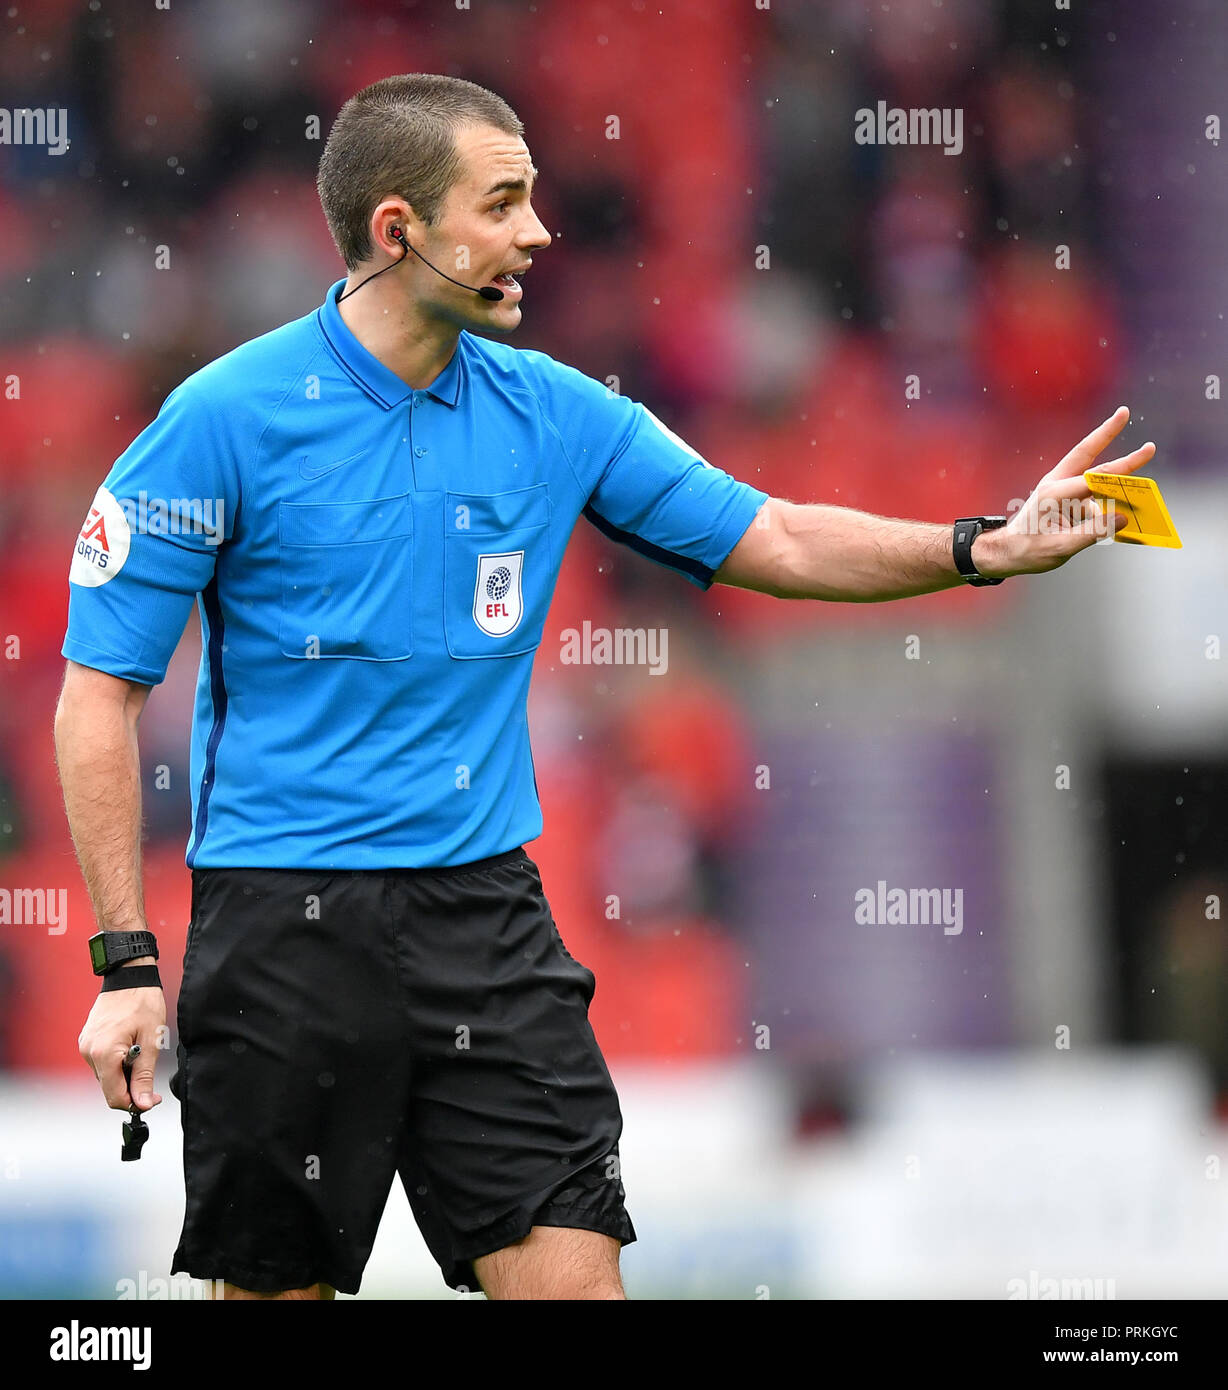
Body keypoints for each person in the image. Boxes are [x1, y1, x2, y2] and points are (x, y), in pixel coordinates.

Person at [56, 73, 1156, 1302]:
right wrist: (124, 964)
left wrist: (978, 543)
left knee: (579, 1286)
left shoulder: (556, 410)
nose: (538, 232)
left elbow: (778, 539)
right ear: (398, 229)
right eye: (505, 202)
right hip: (282, 929)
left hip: (485, 921)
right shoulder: (221, 417)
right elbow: (95, 693)